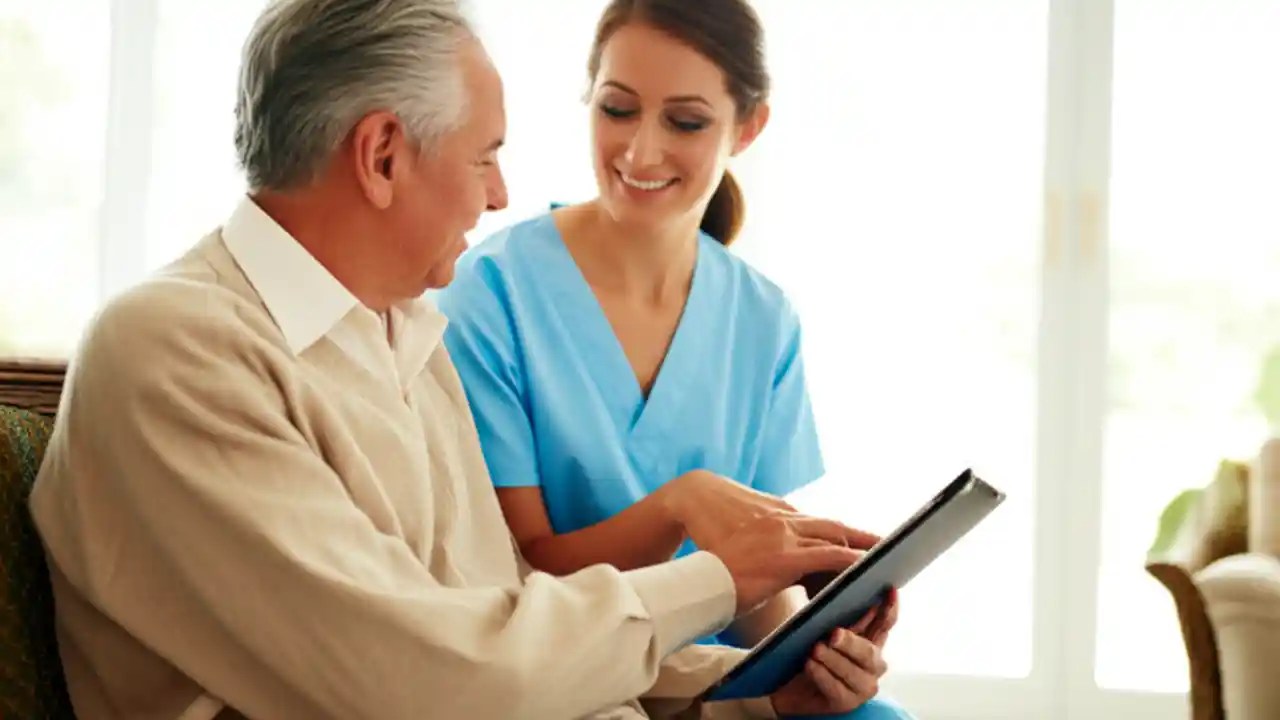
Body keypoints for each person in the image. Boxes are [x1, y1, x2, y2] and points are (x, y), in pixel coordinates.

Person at [30, 1, 898, 718]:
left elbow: (502, 629)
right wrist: (716, 581)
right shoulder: (176, 351)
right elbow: (424, 682)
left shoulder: (404, 337)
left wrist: (758, 695)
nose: (500, 195)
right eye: (484, 156)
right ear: (381, 157)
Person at [437, 1, 913, 717]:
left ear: (747, 128)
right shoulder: (491, 291)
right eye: (617, 109)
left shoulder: (762, 318)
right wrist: (676, 507)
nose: (640, 152)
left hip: (724, 675)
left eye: (685, 122)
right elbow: (522, 569)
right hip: (572, 671)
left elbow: (760, 587)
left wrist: (820, 656)